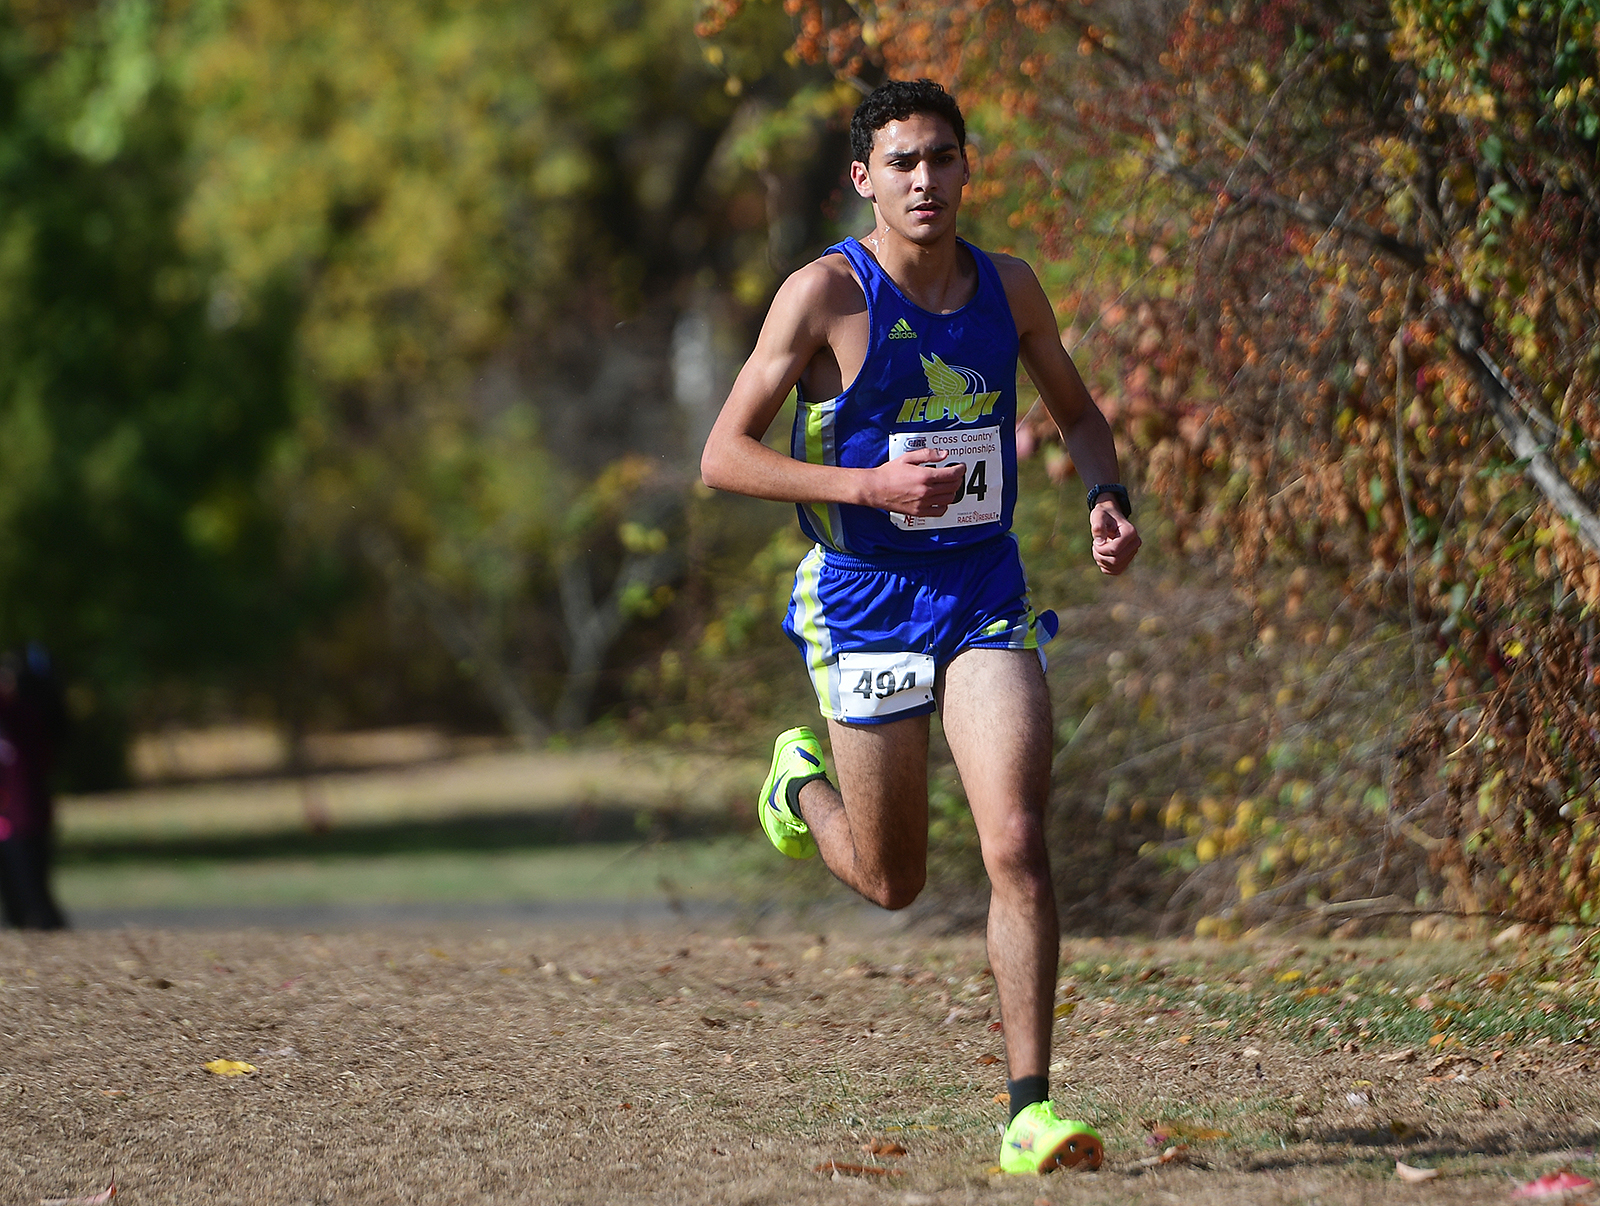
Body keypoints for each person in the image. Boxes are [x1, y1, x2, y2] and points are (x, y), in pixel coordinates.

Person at [700, 78, 1140, 1171]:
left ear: (964, 167)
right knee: (895, 882)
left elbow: (1079, 418)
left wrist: (1104, 499)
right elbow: (721, 457)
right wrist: (867, 490)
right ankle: (796, 785)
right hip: (862, 602)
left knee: (1018, 846)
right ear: (863, 179)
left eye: (941, 157)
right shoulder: (823, 299)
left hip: (983, 590)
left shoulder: (1009, 289)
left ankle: (1027, 1112)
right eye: (901, 162)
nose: (924, 179)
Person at [0, 644, 68, 930]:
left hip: (24, 818)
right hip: (11, 819)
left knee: (33, 894)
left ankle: (51, 938)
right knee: (15, 897)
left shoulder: (24, 718)